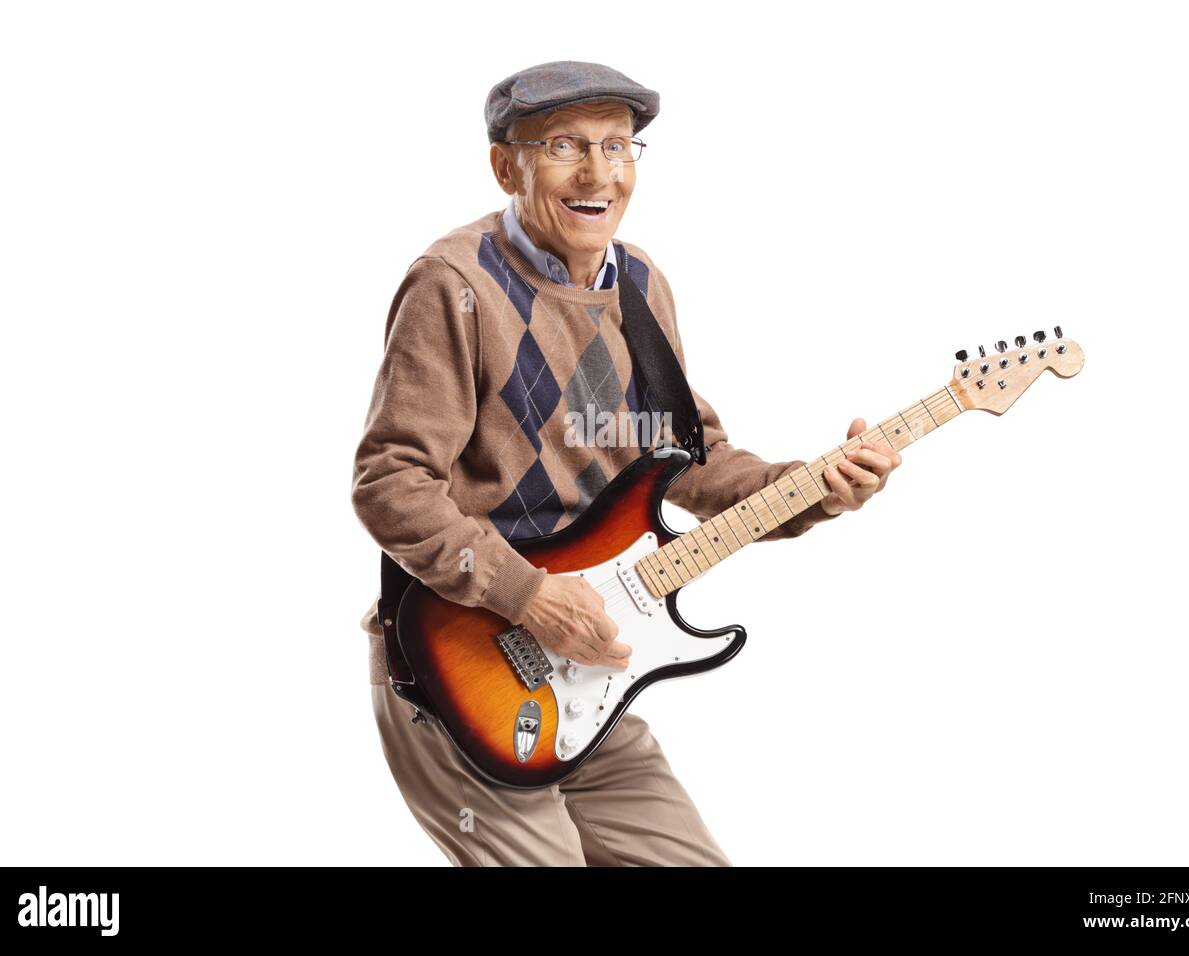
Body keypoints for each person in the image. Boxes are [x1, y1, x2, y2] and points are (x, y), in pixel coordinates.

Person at [351, 60, 902, 866]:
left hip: (587, 674)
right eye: (567, 145)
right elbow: (391, 483)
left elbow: (688, 458)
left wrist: (816, 488)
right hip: (460, 674)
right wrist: (531, 595)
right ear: (507, 165)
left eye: (619, 146)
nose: (599, 173)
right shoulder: (454, 286)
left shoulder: (640, 284)